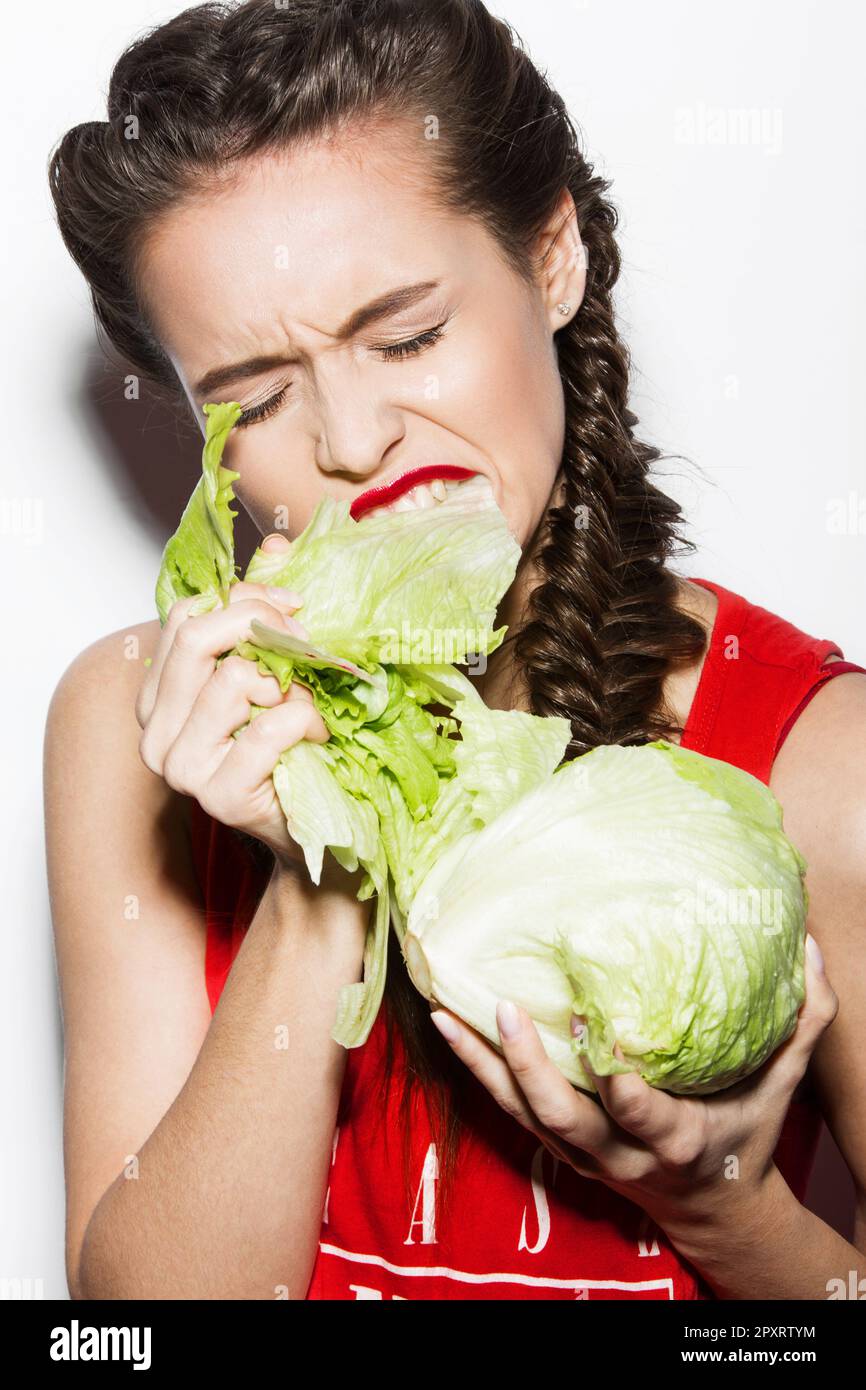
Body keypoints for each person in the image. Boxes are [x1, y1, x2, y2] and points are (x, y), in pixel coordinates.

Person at [44, 0, 865, 1301]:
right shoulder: (133, 726)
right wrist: (322, 863)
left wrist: (717, 1210)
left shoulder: (819, 760)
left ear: (551, 258)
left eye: (409, 334)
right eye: (253, 397)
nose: (353, 437)